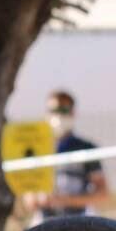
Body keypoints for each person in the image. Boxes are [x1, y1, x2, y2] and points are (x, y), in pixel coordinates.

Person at [27, 90, 106, 222]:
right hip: (44, 221)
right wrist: (35, 199)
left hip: (79, 220)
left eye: (64, 110)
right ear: (46, 114)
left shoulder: (85, 148)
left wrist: (66, 200)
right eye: (54, 110)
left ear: (73, 113)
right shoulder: (35, 150)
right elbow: (28, 196)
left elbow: (102, 193)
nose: (58, 115)